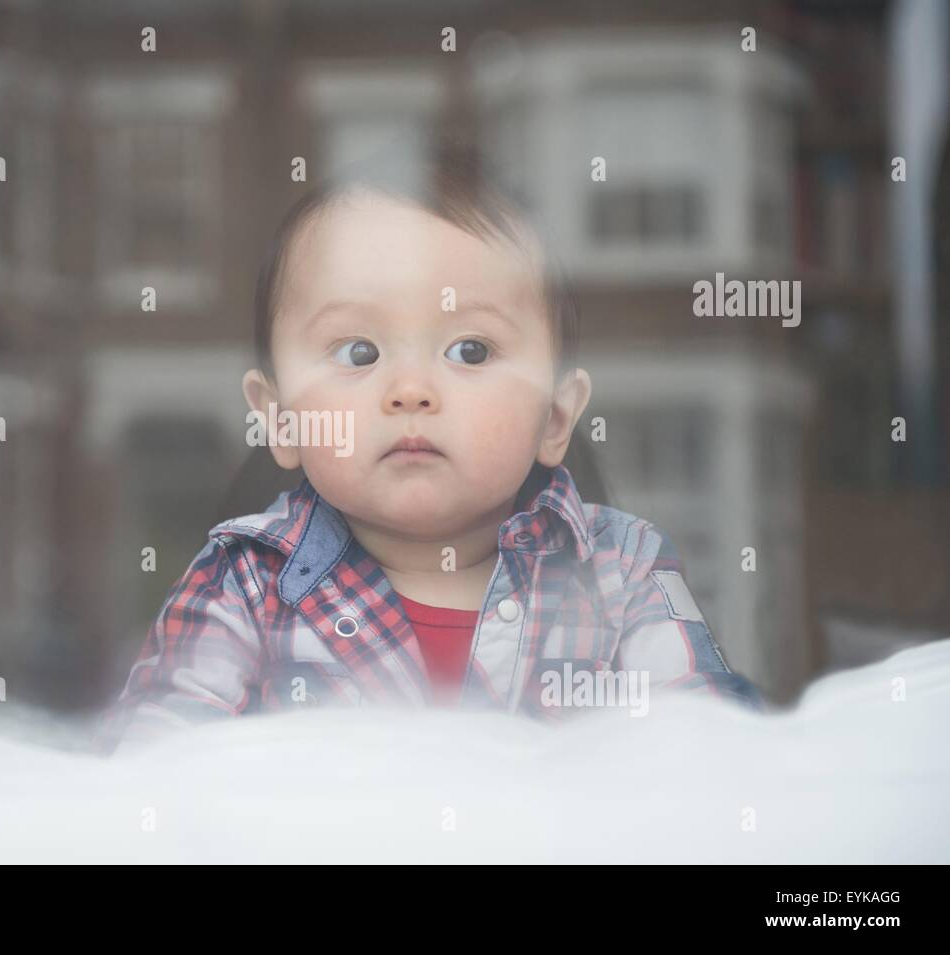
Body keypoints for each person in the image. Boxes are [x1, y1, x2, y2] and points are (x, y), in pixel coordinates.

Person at [94, 138, 761, 755]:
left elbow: (705, 764)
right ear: (282, 420)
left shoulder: (621, 576)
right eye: (358, 351)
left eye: (470, 350)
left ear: (555, 416)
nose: (410, 389)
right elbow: (155, 781)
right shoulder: (244, 584)